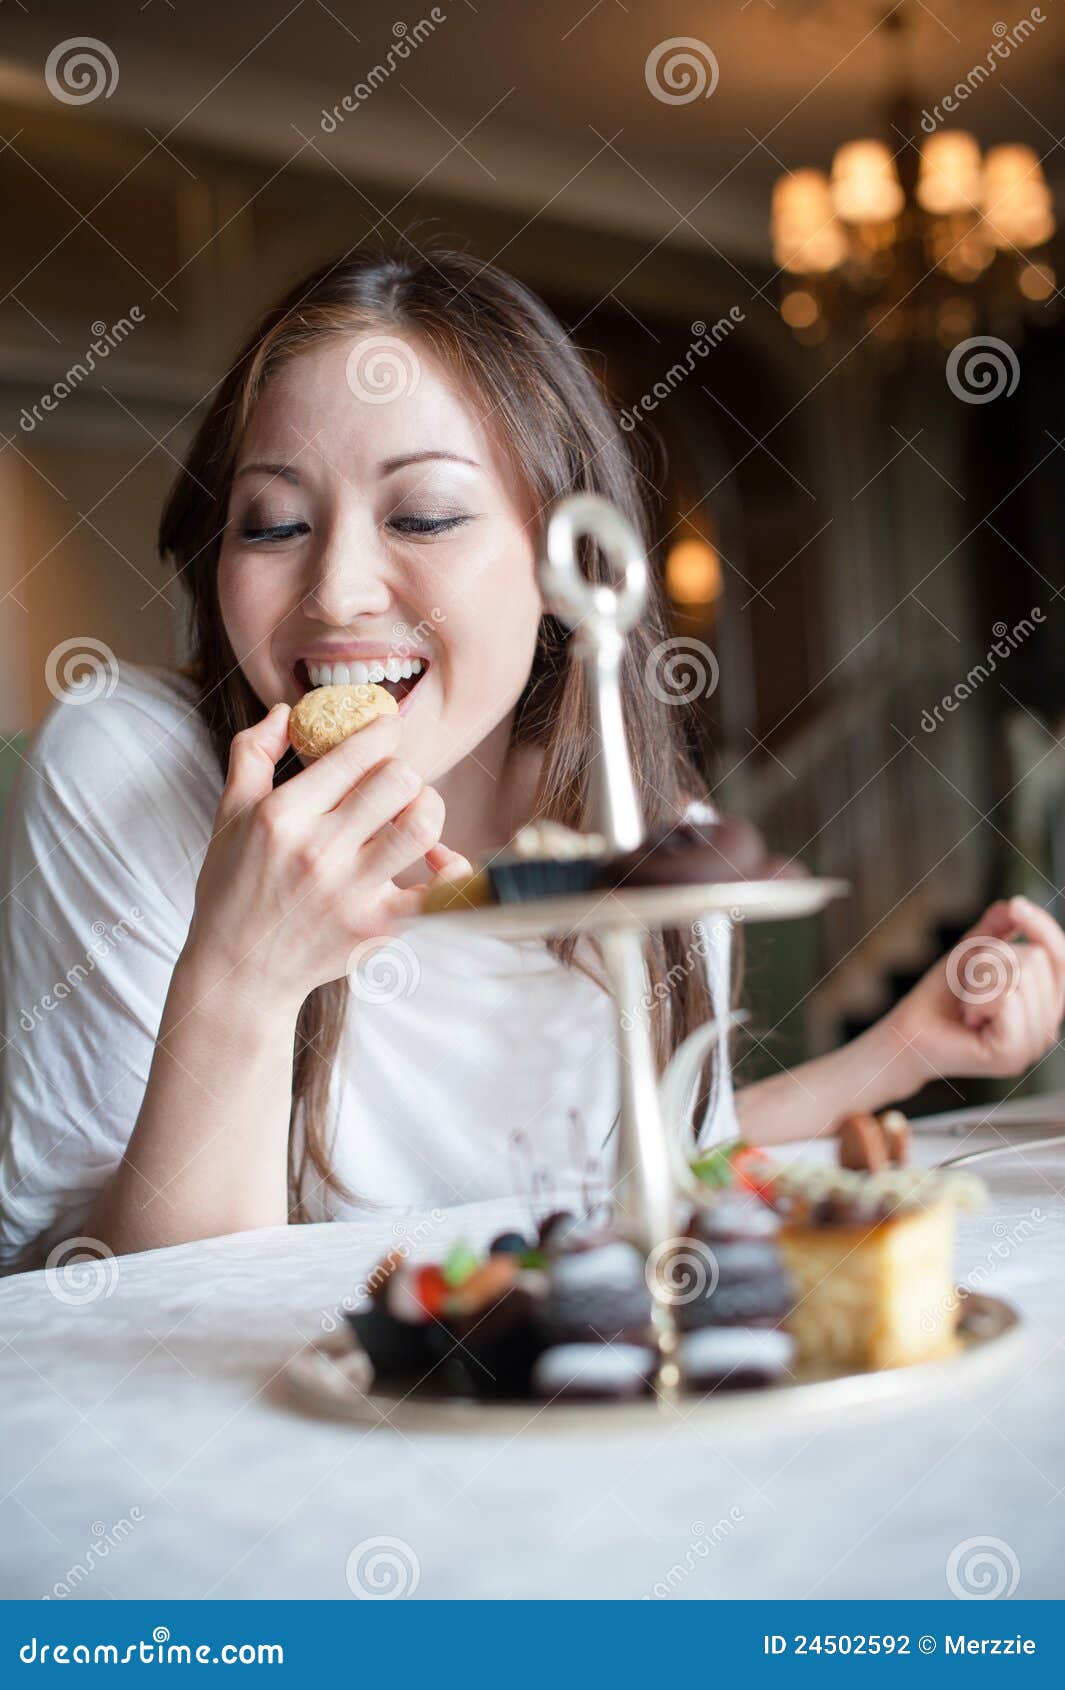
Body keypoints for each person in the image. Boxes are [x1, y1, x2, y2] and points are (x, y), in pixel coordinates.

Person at [2, 246, 1062, 1269]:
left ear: (566, 569)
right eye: (274, 525)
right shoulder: (130, 776)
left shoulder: (651, 845)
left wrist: (905, 1053)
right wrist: (241, 975)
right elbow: (97, 1298)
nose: (336, 592)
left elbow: (649, 1179)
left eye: (421, 514)